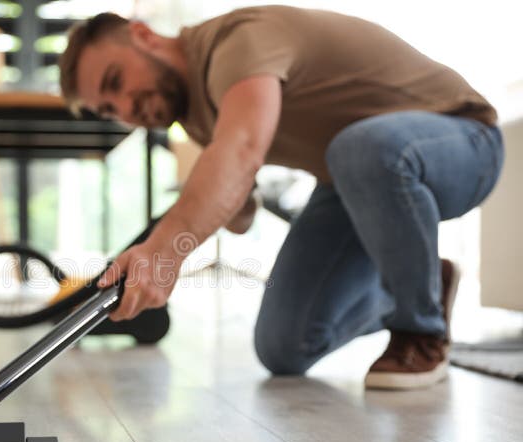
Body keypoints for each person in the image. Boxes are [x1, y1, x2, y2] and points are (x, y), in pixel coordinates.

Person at [57, 6, 504, 389]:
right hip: (350, 183)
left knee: (358, 147)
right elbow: (240, 203)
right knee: (283, 346)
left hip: (464, 143)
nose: (126, 108)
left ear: (143, 35)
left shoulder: (237, 41)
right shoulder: (197, 115)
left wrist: (162, 252)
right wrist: (219, 199)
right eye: (109, 110)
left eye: (116, 82)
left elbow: (242, 150)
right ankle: (422, 284)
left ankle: (420, 332)